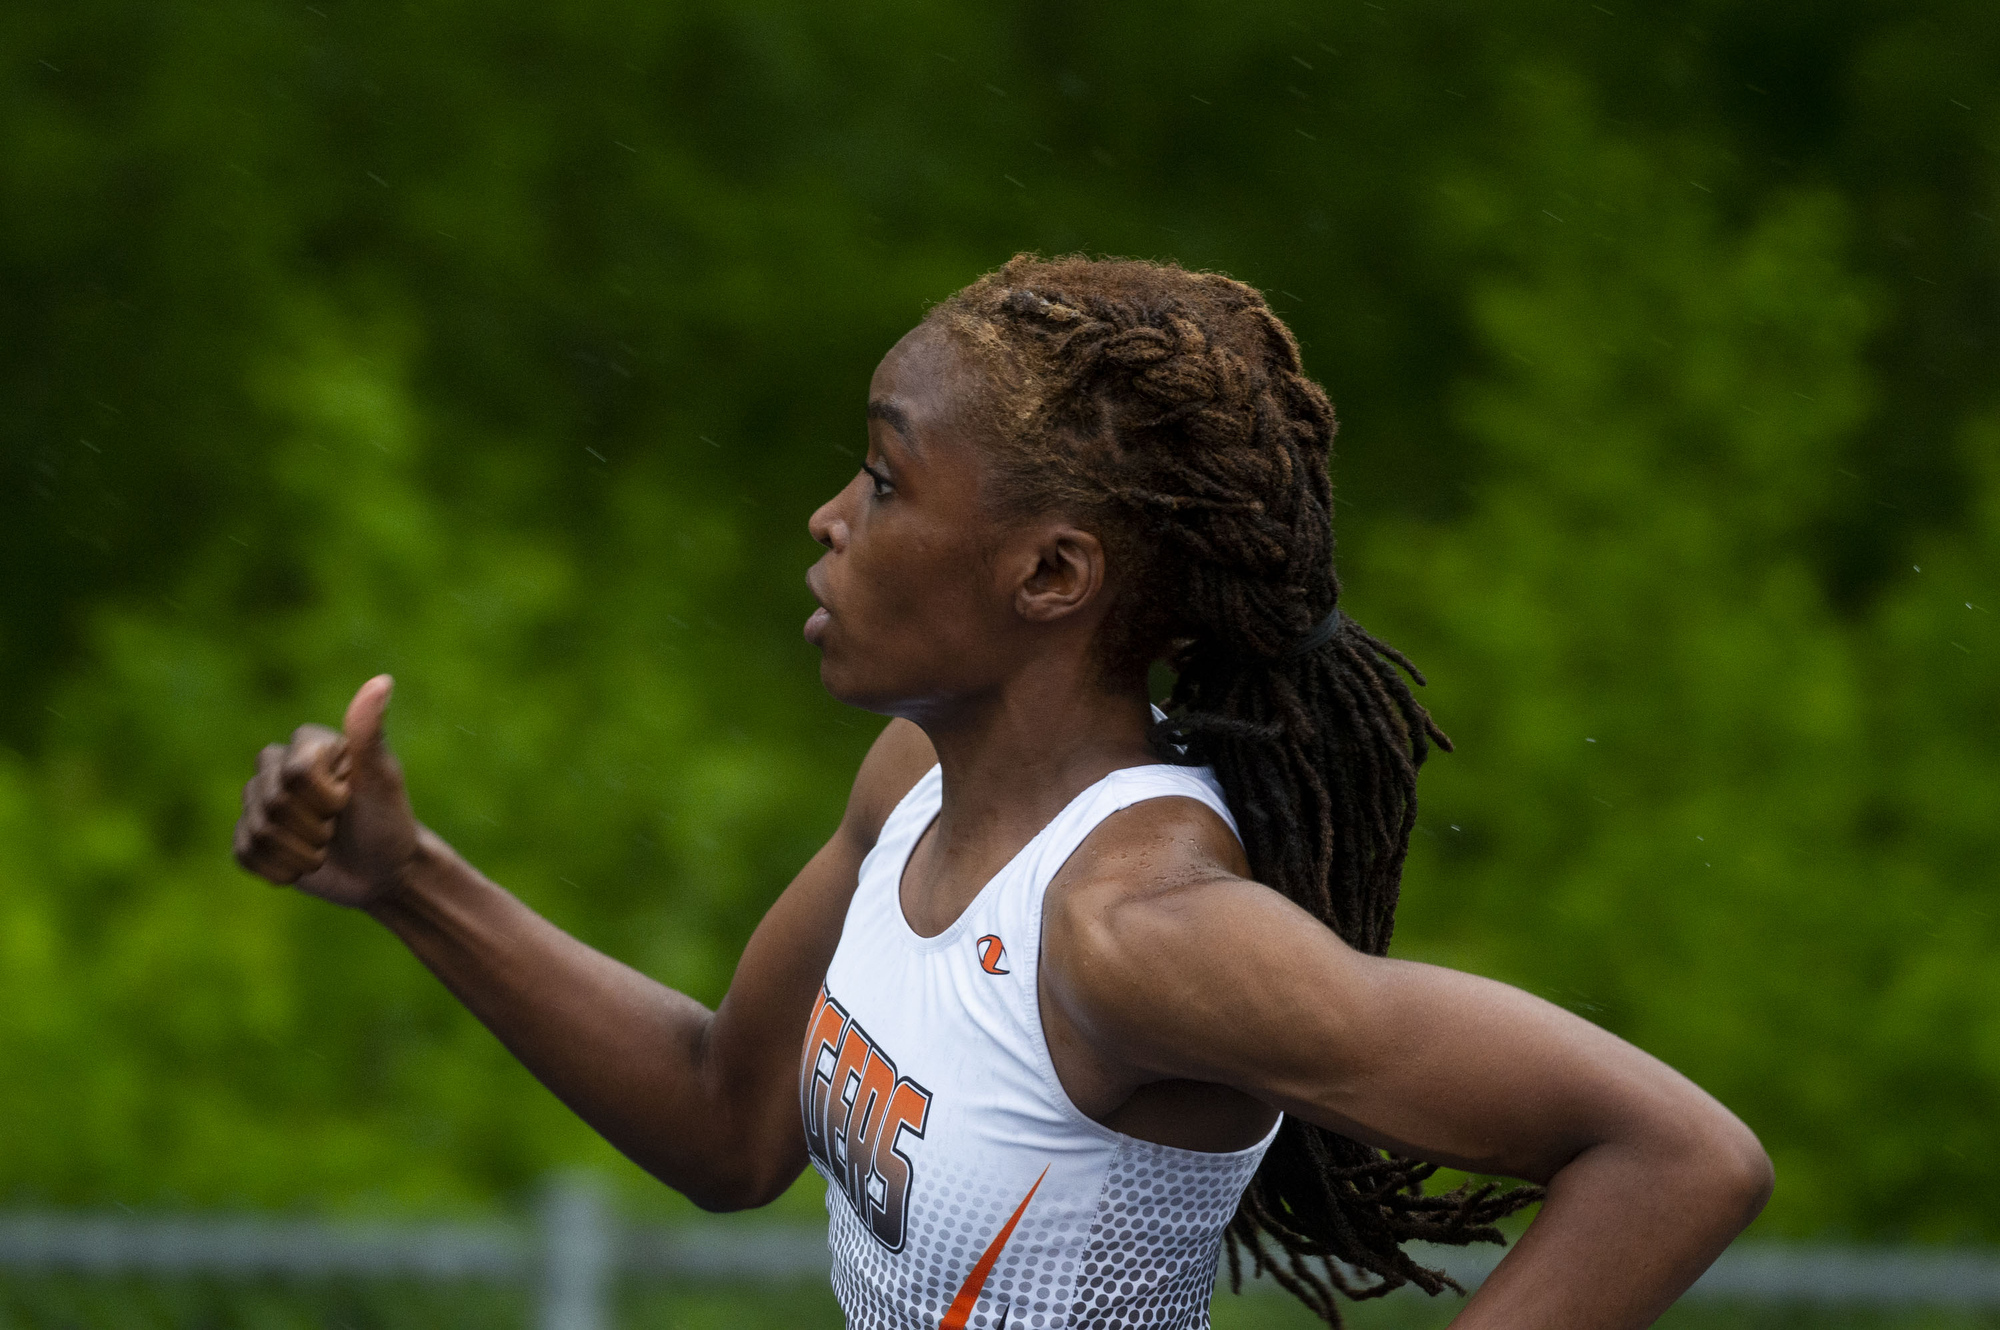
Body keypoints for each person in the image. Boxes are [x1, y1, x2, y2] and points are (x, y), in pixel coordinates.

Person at [234, 255, 1771, 1330]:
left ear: (1051, 573)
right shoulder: (913, 780)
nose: (829, 518)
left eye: (889, 480)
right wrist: (406, 878)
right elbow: (725, 1122)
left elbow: (1679, 1155)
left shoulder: (1137, 932)